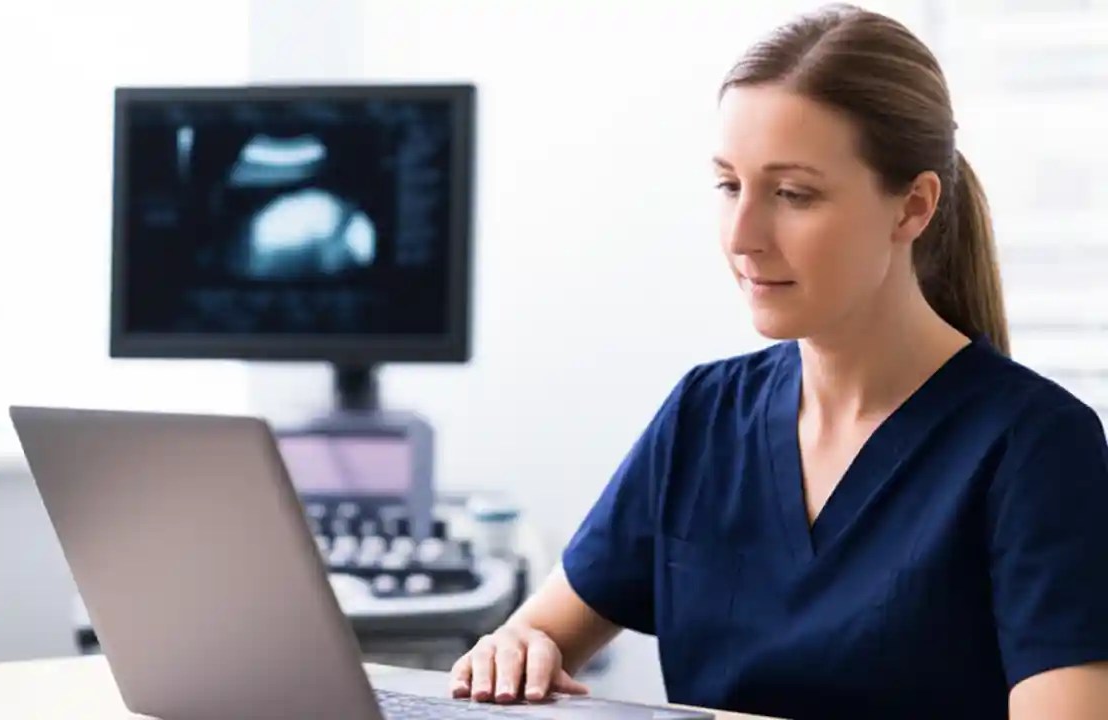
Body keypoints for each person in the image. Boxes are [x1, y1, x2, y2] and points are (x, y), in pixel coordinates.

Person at [447, 4, 1108, 719]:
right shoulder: (704, 415)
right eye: (729, 185)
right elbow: (538, 631)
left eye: (793, 194)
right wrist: (512, 648)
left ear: (912, 207)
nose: (742, 235)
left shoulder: (1035, 448)